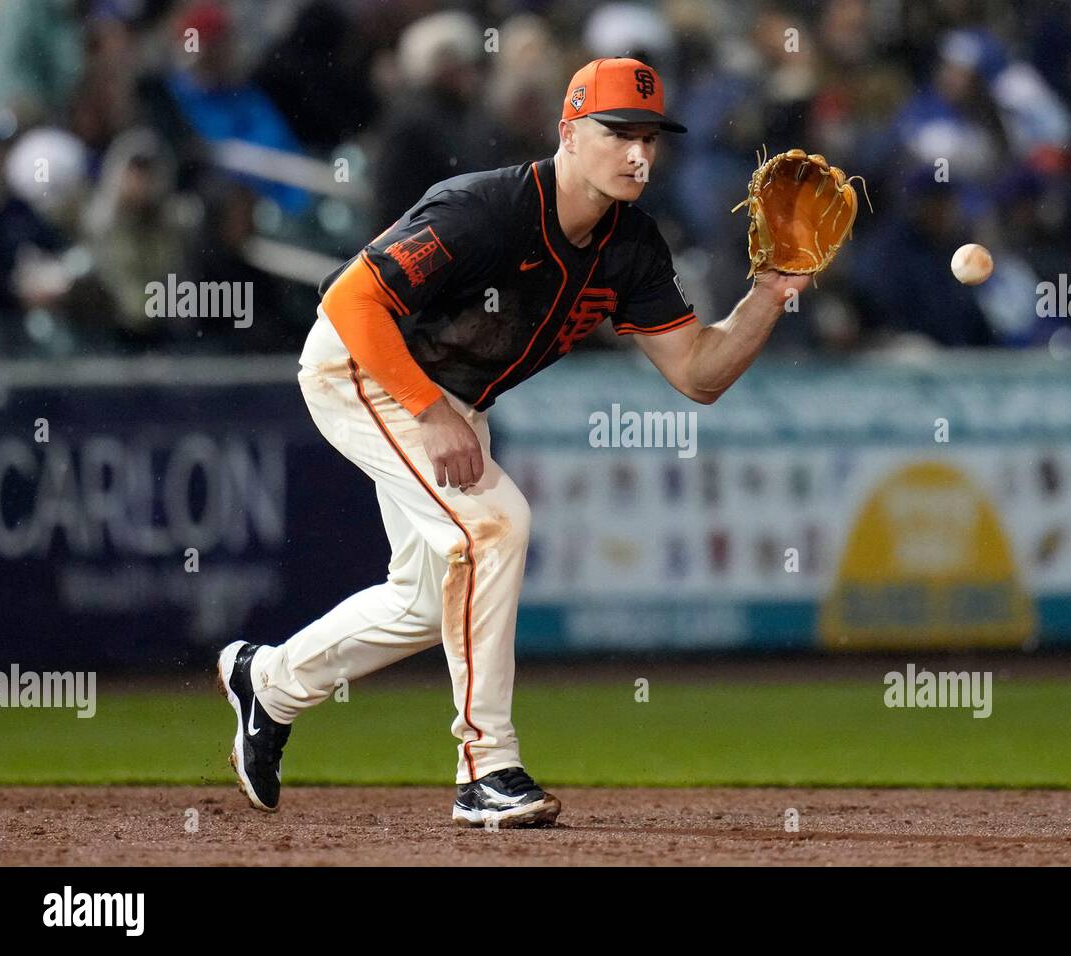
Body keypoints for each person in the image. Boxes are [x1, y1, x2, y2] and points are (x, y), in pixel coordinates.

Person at [216, 57, 810, 827]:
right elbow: (352, 299)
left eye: (650, 138)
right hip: (362, 367)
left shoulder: (631, 245)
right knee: (495, 526)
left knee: (432, 602)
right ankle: (486, 769)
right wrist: (431, 413)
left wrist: (767, 294)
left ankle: (269, 684)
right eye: (618, 133)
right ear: (568, 132)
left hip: (448, 396)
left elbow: (698, 373)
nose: (638, 154)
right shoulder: (487, 209)